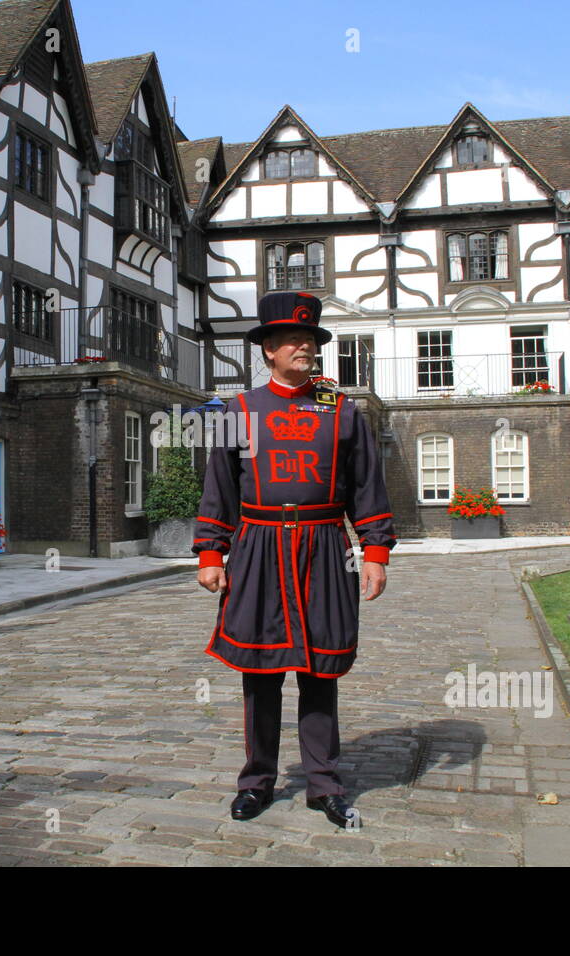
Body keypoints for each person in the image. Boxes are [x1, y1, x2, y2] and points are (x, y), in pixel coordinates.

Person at [193, 291, 396, 828]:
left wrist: (374, 551)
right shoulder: (238, 411)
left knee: (319, 670)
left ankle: (324, 785)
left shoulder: (341, 410)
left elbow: (366, 485)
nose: (304, 347)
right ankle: (256, 782)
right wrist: (211, 551)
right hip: (258, 547)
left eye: (309, 340)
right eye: (292, 341)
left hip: (325, 546)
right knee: (260, 672)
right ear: (268, 351)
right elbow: (219, 488)